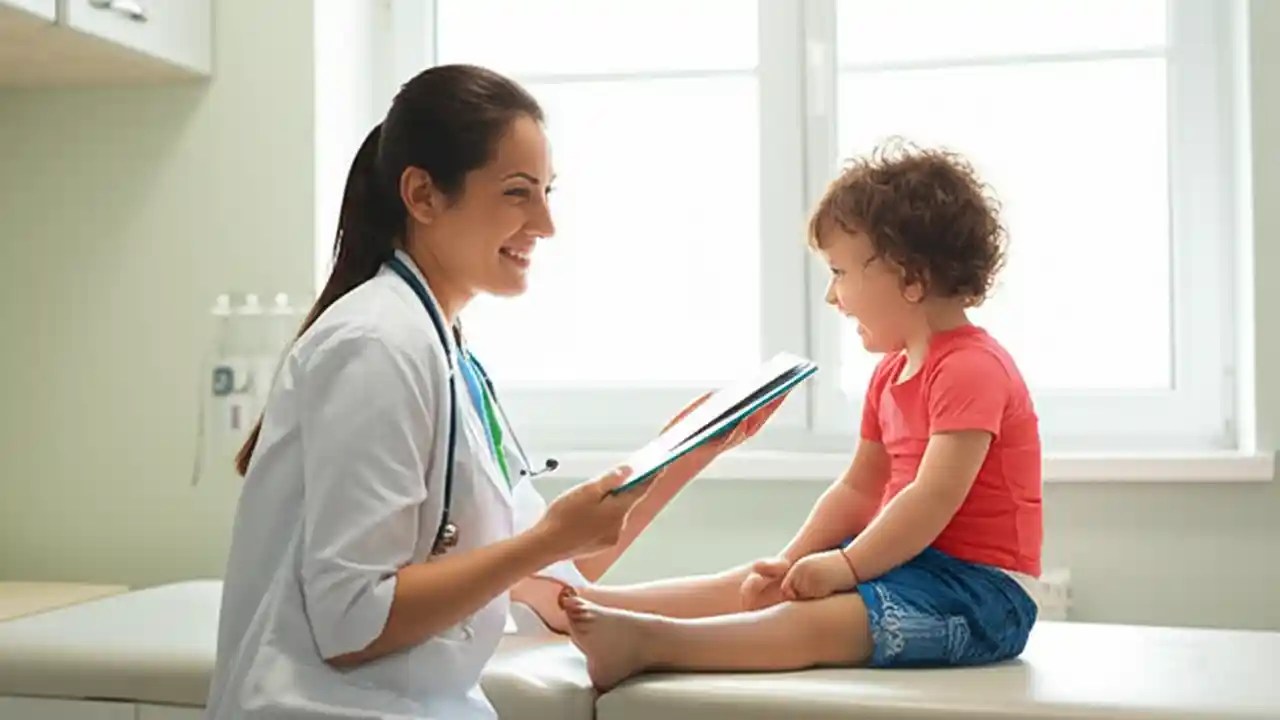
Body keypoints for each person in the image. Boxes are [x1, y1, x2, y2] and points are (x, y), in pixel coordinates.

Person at [204, 64, 780, 720]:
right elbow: (352, 622)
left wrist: (691, 445)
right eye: (517, 193)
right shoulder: (376, 346)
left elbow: (557, 572)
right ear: (422, 195)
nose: (545, 223)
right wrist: (544, 544)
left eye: (547, 192)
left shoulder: (444, 351)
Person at [558, 141, 1044, 691]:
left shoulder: (972, 368)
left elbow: (931, 499)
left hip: (981, 593)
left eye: (839, 272)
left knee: (812, 621)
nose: (832, 297)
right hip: (908, 567)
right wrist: (792, 561)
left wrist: (848, 567)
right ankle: (585, 601)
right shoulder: (890, 375)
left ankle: (650, 644)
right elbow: (859, 489)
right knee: (760, 581)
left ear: (910, 276)